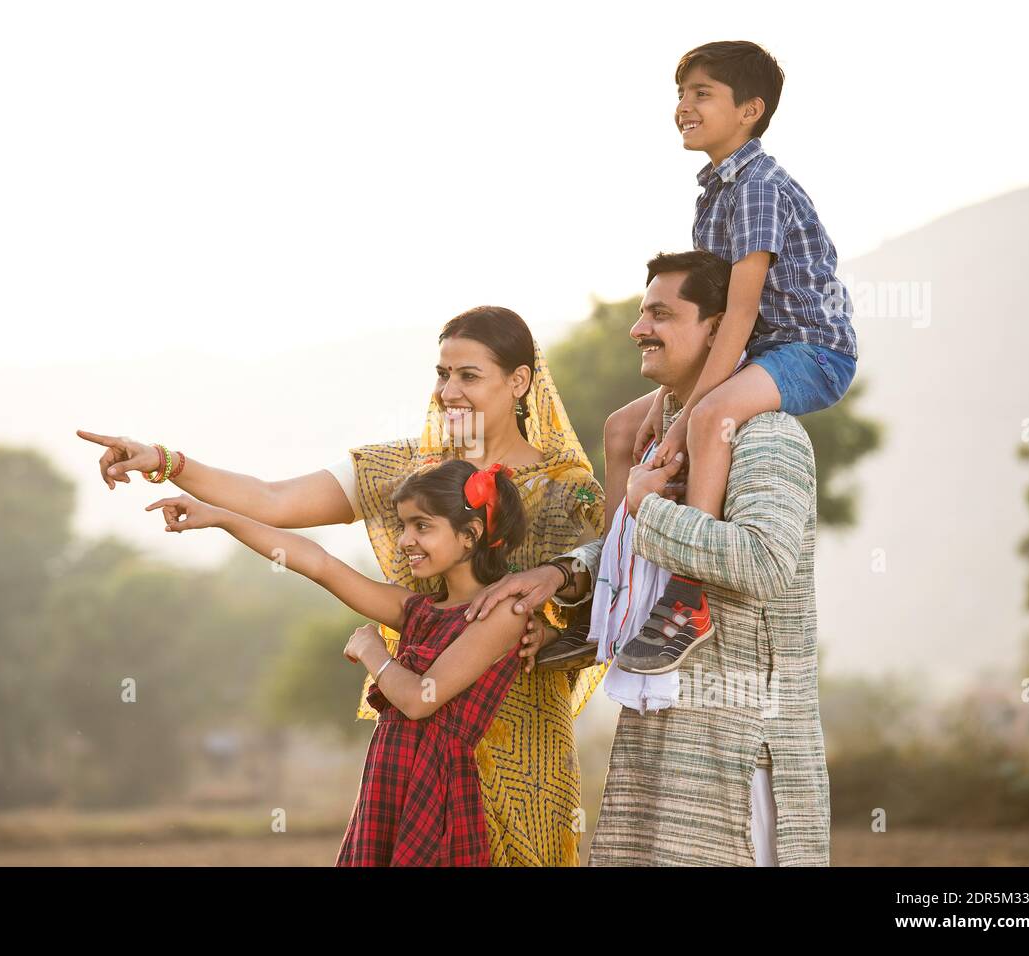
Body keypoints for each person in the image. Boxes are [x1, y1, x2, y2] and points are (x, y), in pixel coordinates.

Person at [77, 304, 606, 866]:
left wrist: (548, 637)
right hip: (415, 756)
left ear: (520, 381)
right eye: (442, 373)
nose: (449, 391)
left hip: (526, 750)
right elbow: (274, 501)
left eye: (469, 376)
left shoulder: (569, 494)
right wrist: (165, 460)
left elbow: (609, 618)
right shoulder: (406, 472)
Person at [465, 250, 831, 866]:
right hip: (658, 744)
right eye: (641, 313)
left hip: (738, 750)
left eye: (661, 314)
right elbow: (634, 554)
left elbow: (766, 561)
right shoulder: (656, 435)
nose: (640, 329)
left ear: (718, 329)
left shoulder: (768, 435)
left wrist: (646, 506)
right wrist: (563, 573)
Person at [604, 40, 858, 675]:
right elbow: (710, 324)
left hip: (807, 351)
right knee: (621, 429)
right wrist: (666, 401)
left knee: (711, 417)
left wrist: (690, 408)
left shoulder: (759, 188)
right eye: (681, 94)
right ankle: (609, 587)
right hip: (752, 352)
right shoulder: (713, 194)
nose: (683, 107)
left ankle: (688, 599)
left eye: (701, 94)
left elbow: (740, 315)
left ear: (750, 109)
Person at [144, 459, 529, 865]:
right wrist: (222, 518)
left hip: (434, 790)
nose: (405, 541)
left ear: (470, 534)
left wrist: (372, 650)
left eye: (422, 526)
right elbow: (320, 564)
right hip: (388, 779)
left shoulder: (504, 613)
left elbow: (419, 700)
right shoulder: (416, 610)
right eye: (403, 527)